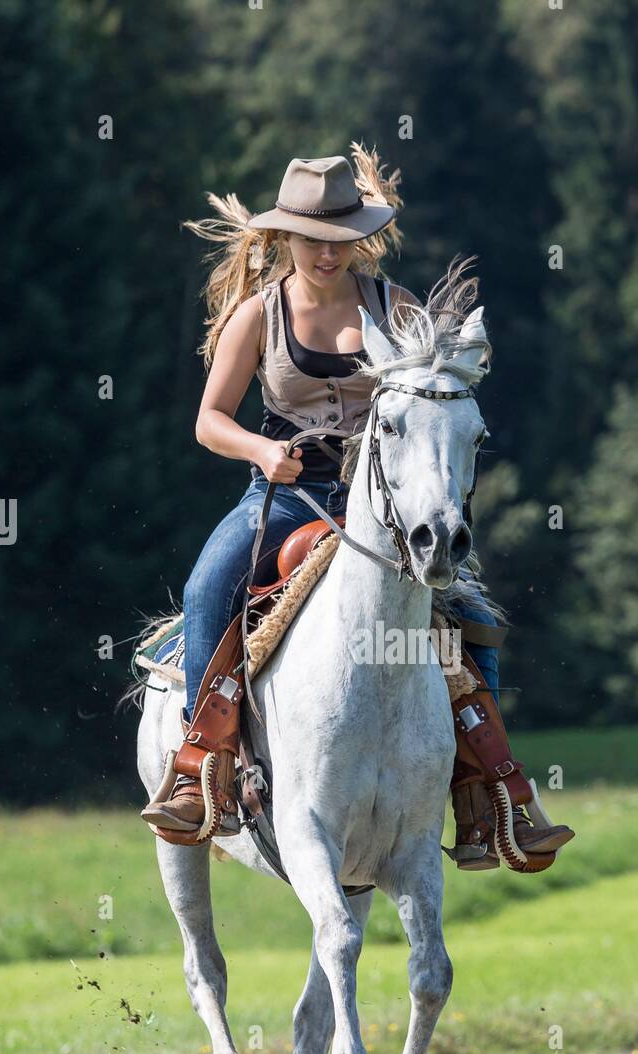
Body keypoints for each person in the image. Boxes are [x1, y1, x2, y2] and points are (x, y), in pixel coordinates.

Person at [141, 146, 573, 871]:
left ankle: (490, 796)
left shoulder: (394, 305)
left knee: (473, 620)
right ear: (286, 239)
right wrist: (259, 452)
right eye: (313, 239)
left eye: (341, 239)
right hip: (284, 494)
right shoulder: (257, 315)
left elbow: (434, 402)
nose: (328, 253)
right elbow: (209, 419)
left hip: (385, 509)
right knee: (206, 588)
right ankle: (200, 766)